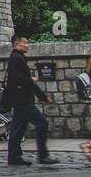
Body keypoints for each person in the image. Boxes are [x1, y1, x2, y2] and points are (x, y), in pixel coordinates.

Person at [4, 33, 59, 166]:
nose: (27, 45)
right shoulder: (17, 58)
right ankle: (43, 155)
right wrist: (31, 81)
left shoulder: (17, 57)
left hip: (19, 98)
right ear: (17, 44)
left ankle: (14, 157)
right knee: (41, 123)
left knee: (18, 129)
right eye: (25, 42)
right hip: (22, 99)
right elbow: (19, 79)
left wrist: (42, 96)